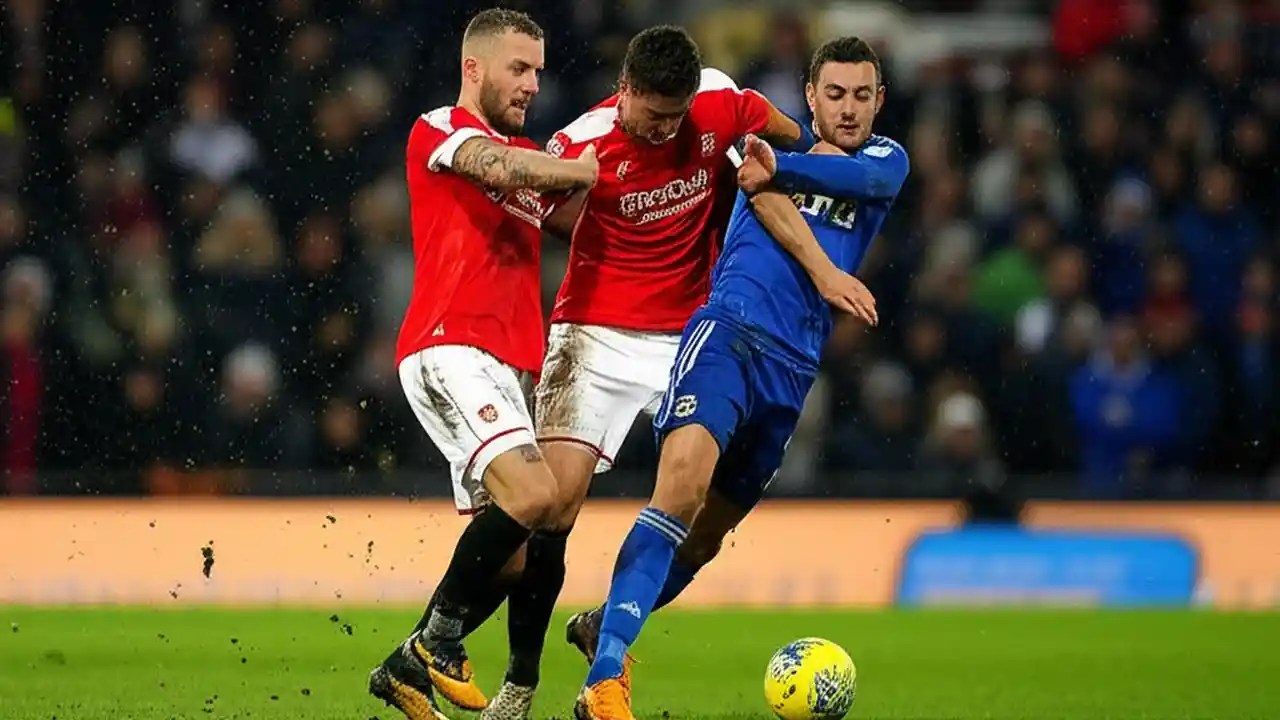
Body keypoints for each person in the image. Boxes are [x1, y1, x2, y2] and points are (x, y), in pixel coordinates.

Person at [421, 25, 814, 720]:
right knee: (553, 509)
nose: (664, 130)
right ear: (624, 90)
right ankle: (519, 684)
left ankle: (607, 629)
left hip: (692, 335)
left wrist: (787, 169)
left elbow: (787, 138)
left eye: (676, 117)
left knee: (698, 516)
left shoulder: (718, 102)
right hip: (593, 336)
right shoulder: (582, 142)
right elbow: (517, 209)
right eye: (652, 115)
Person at [573, 36, 909, 720]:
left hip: (792, 371)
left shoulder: (882, 160)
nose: (848, 109)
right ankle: (605, 680)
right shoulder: (757, 151)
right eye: (835, 94)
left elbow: (860, 184)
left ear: (879, 102)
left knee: (704, 540)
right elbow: (764, 201)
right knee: (682, 489)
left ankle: (605, 621)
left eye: (862, 96)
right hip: (727, 334)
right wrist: (823, 266)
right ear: (810, 98)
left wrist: (776, 167)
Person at [365, 9, 597, 720]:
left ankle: (407, 665)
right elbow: (499, 166)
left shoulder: (526, 158)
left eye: (537, 70)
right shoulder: (440, 129)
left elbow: (574, 218)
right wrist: (582, 166)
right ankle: (437, 641)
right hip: (450, 345)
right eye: (518, 68)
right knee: (533, 497)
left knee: (524, 551)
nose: (532, 83)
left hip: (512, 362)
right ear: (474, 68)